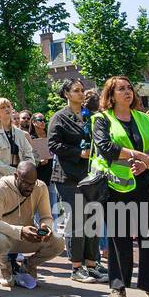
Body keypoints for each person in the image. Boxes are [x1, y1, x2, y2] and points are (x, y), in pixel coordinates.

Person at [93, 76, 149, 297]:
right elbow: (106, 148)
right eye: (121, 89)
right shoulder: (101, 119)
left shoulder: (145, 119)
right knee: (120, 237)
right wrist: (137, 155)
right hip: (116, 185)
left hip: (146, 184)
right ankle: (118, 286)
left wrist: (148, 161)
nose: (127, 92)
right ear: (111, 95)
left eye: (129, 88)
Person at [48, 78, 105, 283]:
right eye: (76, 90)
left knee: (92, 217)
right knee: (77, 219)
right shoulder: (59, 117)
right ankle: (76, 267)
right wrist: (78, 153)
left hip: (90, 176)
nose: (81, 94)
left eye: (82, 90)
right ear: (66, 94)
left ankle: (92, 263)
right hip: (67, 176)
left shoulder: (90, 116)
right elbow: (53, 144)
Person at [0, 162, 65, 288]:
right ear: (16, 176)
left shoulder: (40, 187)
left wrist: (46, 227)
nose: (29, 187)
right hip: (7, 237)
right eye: (25, 183)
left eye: (32, 183)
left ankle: (29, 265)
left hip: (29, 237)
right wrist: (20, 231)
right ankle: (4, 267)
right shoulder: (2, 186)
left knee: (58, 242)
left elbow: (46, 217)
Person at [0, 97, 35, 189]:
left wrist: (26, 171)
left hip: (19, 180)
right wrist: (14, 172)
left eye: (8, 106)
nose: (7, 109)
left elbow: (29, 154)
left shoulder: (19, 133)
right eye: (3, 107)